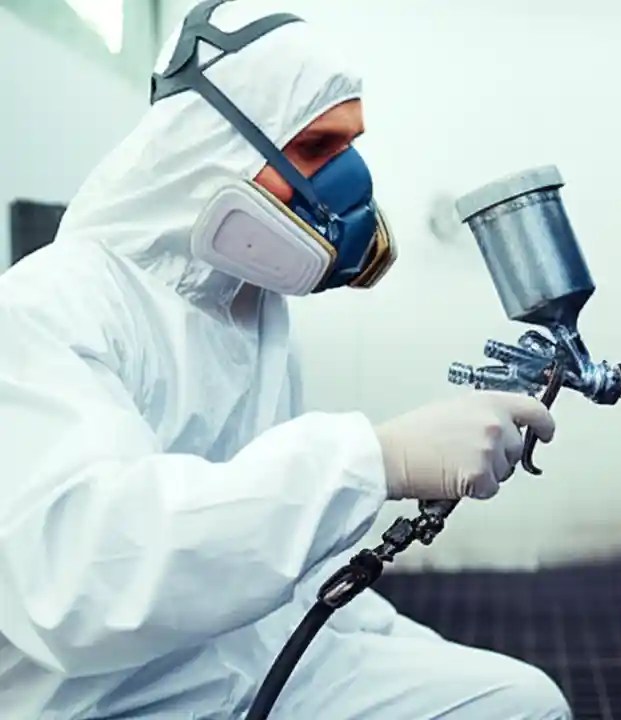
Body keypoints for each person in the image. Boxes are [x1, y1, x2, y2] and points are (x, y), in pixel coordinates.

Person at [0, 1, 570, 718]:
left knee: (520, 703)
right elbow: (85, 578)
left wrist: (409, 647)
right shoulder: (49, 306)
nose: (346, 183)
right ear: (214, 151)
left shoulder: (250, 311)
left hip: (255, 659)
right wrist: (376, 459)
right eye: (316, 151)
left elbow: (292, 574)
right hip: (118, 698)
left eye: (348, 148)